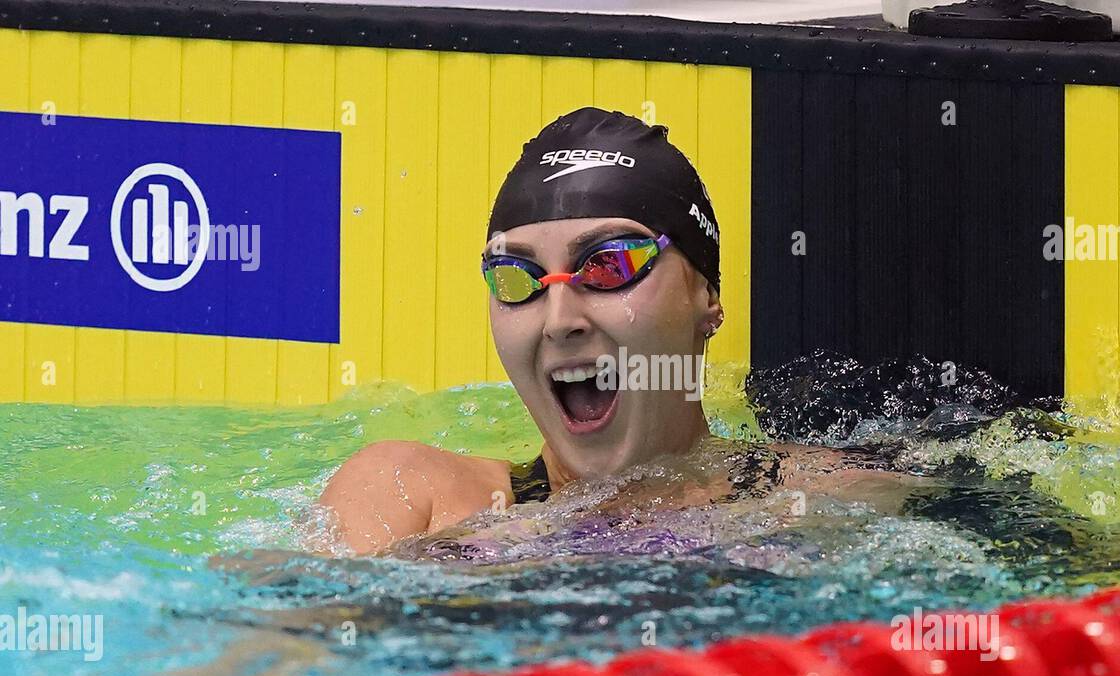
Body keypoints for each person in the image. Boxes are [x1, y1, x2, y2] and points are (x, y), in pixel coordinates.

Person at [321, 107, 918, 555]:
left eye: (608, 265)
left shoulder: (833, 496)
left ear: (706, 297)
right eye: (518, 277)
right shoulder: (410, 493)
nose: (559, 321)